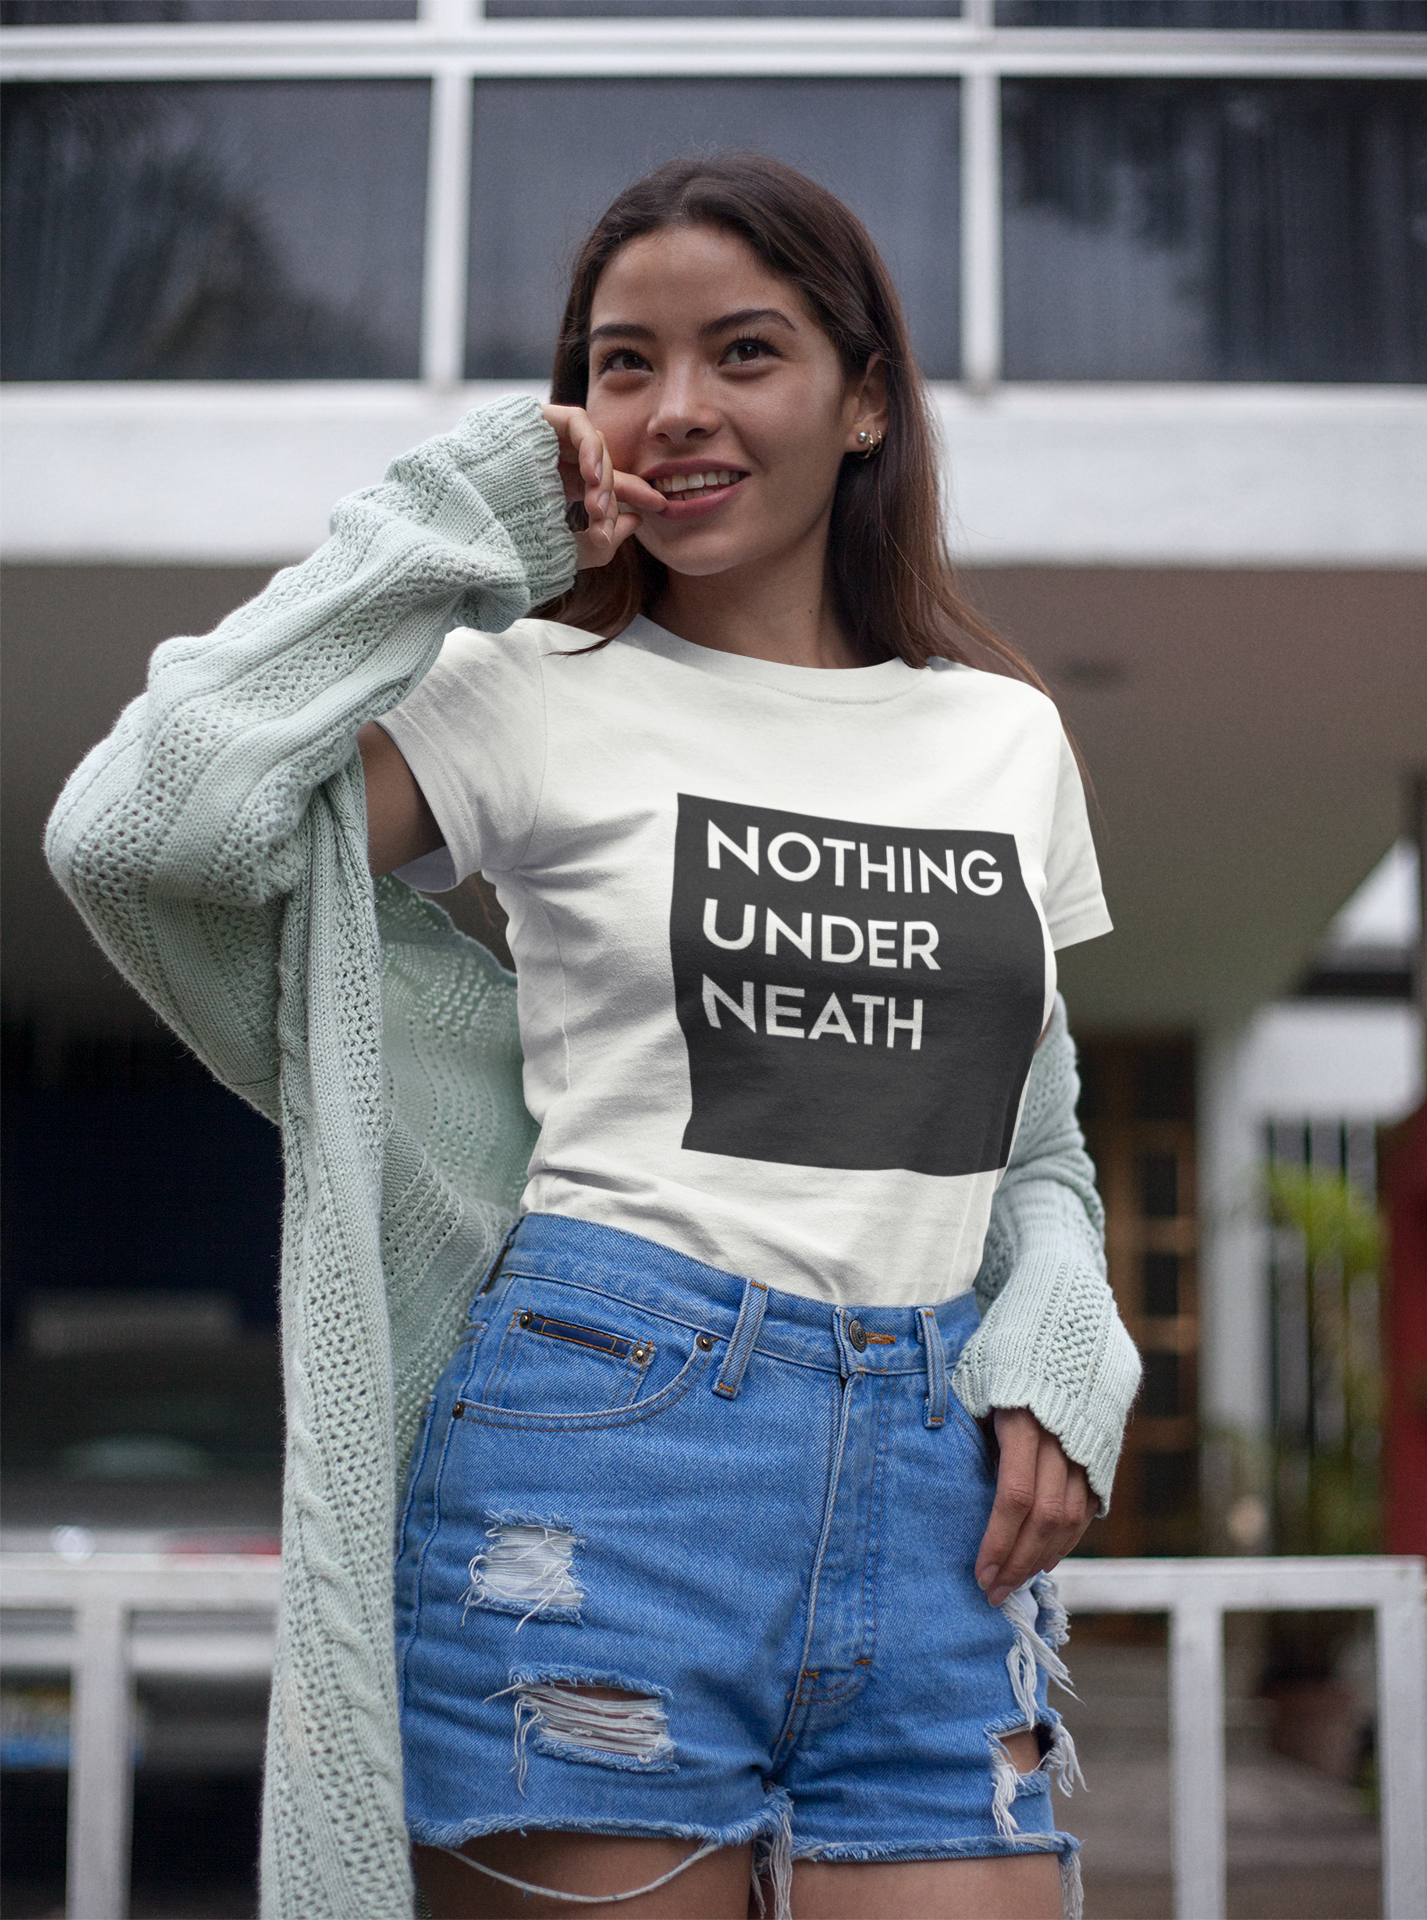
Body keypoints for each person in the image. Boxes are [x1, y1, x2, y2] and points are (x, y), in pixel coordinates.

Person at [47, 154, 1140, 1920]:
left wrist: (1066, 1336)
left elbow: (1036, 1144)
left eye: (745, 352)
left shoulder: (1005, 740)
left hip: (940, 1508)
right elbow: (140, 833)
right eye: (623, 362)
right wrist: (451, 522)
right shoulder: (525, 700)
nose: (677, 407)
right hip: (604, 1463)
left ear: (868, 401)